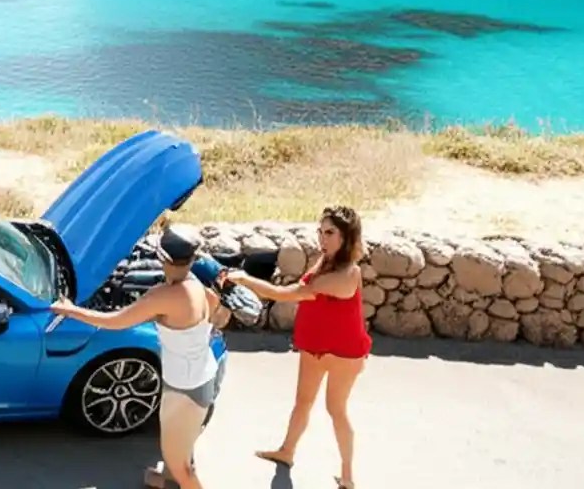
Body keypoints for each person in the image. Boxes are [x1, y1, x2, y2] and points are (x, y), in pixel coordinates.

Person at [51, 225, 229, 489]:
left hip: (185, 389)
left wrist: (70, 310)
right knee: (179, 450)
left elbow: (114, 321)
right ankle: (168, 483)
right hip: (198, 377)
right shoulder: (198, 286)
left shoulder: (163, 296)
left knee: (181, 465)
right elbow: (216, 311)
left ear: (162, 257)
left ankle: (178, 481)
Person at [222, 205, 371, 489]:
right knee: (303, 402)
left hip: (344, 353)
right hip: (315, 346)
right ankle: (287, 451)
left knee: (336, 410)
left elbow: (283, 293)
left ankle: (348, 476)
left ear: (346, 237)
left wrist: (244, 279)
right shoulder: (326, 261)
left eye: (329, 233)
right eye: (320, 231)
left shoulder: (346, 274)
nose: (322, 238)